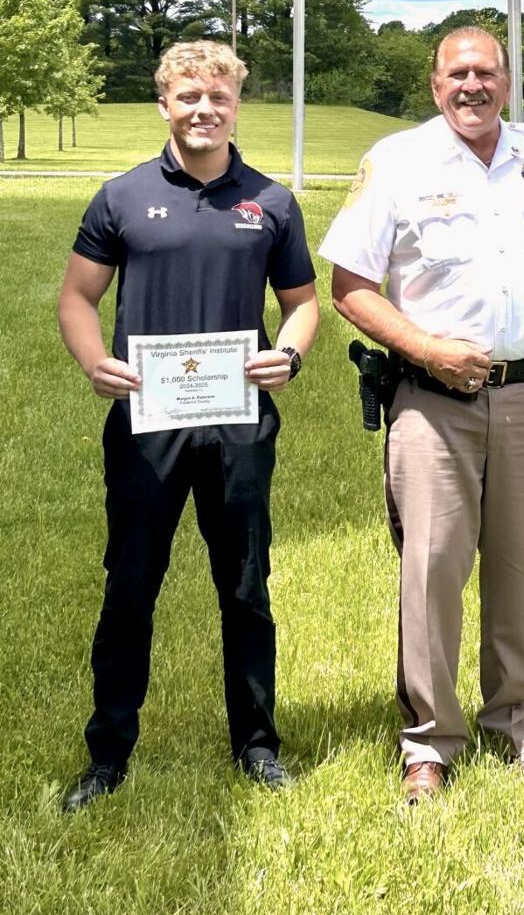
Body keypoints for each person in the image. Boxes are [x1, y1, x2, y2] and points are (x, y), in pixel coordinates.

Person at [320, 27, 524, 803]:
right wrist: (430, 348)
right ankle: (429, 743)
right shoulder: (399, 161)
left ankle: (514, 724)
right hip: (434, 403)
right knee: (432, 570)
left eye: (487, 72)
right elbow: (351, 284)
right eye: (457, 74)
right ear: (434, 83)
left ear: (506, 80)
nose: (473, 85)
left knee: (520, 572)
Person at [58, 41, 319, 810]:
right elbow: (77, 296)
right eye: (188, 97)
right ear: (163, 104)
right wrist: (93, 358)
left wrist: (289, 354)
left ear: (237, 105)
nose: (203, 109)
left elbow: (303, 301)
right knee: (130, 585)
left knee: (245, 586)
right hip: (147, 422)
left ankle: (258, 745)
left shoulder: (269, 201)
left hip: (238, 422)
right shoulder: (122, 196)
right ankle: (108, 754)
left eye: (218, 97)